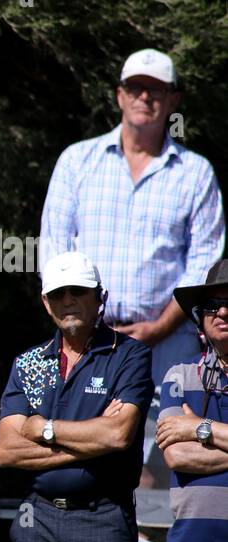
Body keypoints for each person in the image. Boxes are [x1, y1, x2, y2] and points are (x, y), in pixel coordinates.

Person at [40, 48, 224, 451]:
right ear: (120, 95)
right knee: (83, 456)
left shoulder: (196, 174)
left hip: (170, 343)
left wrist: (158, 327)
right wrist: (79, 320)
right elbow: (54, 255)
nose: (145, 97)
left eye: (156, 89)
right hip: (86, 341)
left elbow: (205, 267)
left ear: (173, 100)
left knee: (167, 464)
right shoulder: (77, 161)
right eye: (135, 87)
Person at [0, 251, 154, 542]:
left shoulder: (129, 355)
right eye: (59, 293)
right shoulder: (29, 362)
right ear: (46, 303)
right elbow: (6, 451)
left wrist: (41, 428)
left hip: (103, 519)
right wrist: (91, 439)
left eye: (79, 292)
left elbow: (119, 436)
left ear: (100, 297)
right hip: (38, 522)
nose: (69, 301)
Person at [154, 259, 228, 542]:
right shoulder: (180, 377)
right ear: (200, 317)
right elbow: (177, 456)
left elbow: (189, 441)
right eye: (214, 304)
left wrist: (201, 429)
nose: (224, 312)